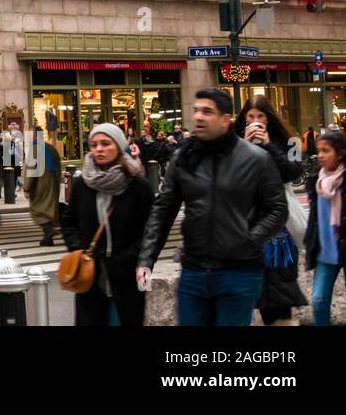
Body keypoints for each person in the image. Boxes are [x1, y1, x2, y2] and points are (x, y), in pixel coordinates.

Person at [137, 89, 287, 326]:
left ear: (225, 119)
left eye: (207, 112)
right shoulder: (183, 157)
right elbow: (163, 209)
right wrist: (146, 258)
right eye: (196, 110)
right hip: (193, 271)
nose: (198, 117)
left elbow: (278, 208)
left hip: (239, 273)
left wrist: (250, 240)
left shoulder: (256, 158)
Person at [62, 123, 154, 326]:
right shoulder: (82, 184)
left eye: (105, 143)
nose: (99, 149)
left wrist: (130, 257)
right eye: (94, 144)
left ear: (119, 146)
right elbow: (68, 222)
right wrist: (80, 250)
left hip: (128, 274)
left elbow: (150, 230)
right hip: (90, 276)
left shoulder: (138, 185)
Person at [236, 96, 307, 325]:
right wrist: (244, 145)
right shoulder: (235, 143)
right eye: (251, 117)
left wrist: (269, 145)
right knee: (261, 294)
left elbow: (294, 173)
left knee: (282, 290)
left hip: (280, 230)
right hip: (250, 225)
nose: (256, 121)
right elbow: (233, 178)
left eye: (260, 116)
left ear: (269, 117)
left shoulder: (291, 140)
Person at [306, 129, 346, 325]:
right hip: (325, 248)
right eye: (318, 150)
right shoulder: (316, 180)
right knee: (318, 300)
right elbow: (314, 216)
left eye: (326, 150)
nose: (320, 155)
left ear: (340, 154)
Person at [26, 131, 62, 245]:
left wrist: (26, 186)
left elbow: (30, 170)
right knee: (49, 209)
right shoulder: (51, 148)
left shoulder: (34, 149)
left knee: (38, 211)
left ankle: (49, 231)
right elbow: (59, 165)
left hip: (39, 185)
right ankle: (48, 238)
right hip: (53, 183)